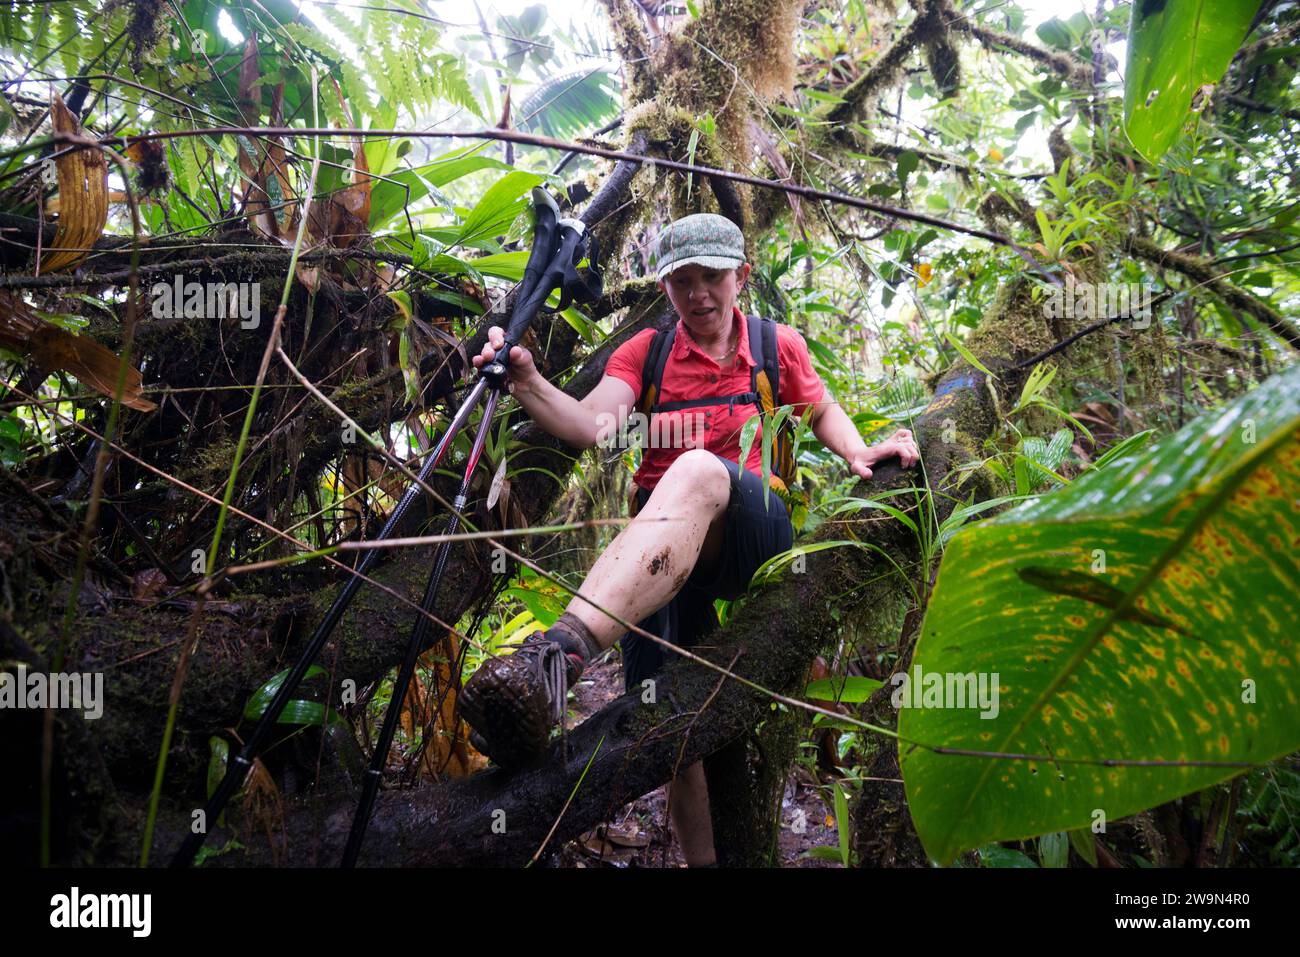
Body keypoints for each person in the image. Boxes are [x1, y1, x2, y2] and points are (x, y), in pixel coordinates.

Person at [459, 212, 920, 866]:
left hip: (751, 529)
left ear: (741, 277)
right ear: (666, 286)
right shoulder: (644, 352)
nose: (700, 293)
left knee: (699, 468)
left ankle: (559, 650)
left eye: (713, 277)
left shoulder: (773, 344)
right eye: (683, 280)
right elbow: (594, 425)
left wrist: (857, 452)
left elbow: (819, 407)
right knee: (669, 734)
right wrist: (529, 381)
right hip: (665, 551)